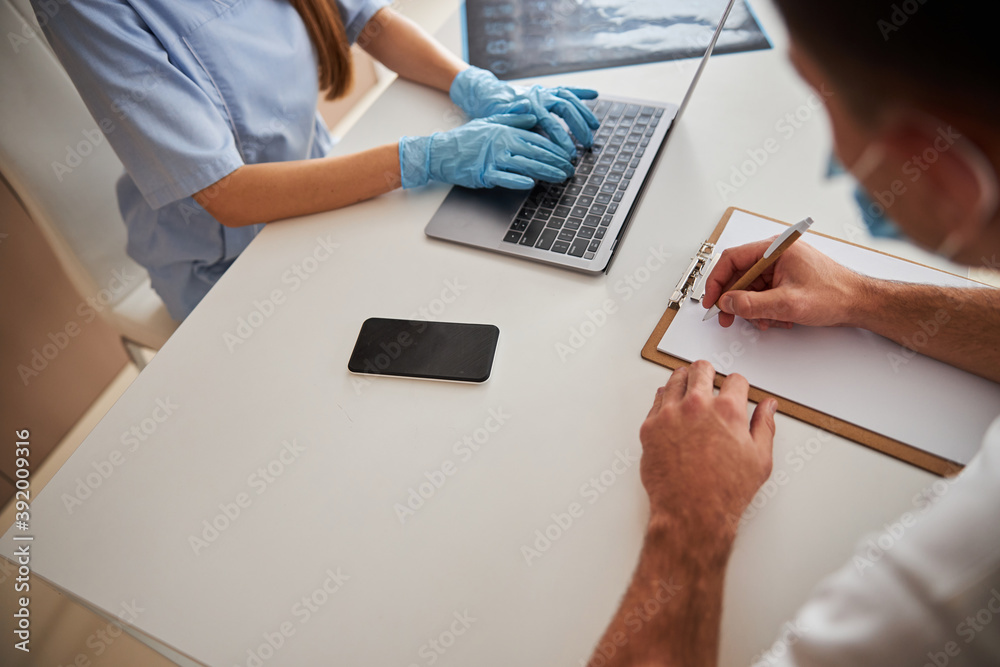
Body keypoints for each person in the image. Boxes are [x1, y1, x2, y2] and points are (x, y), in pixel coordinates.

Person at [587, 1, 1000, 665]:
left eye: (824, 97)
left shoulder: (969, 564)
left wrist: (691, 518)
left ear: (944, 177)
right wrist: (862, 297)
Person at [35, 0, 599, 320]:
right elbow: (226, 194)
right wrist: (425, 157)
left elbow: (371, 22)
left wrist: (476, 85)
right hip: (225, 261)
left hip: (327, 194)